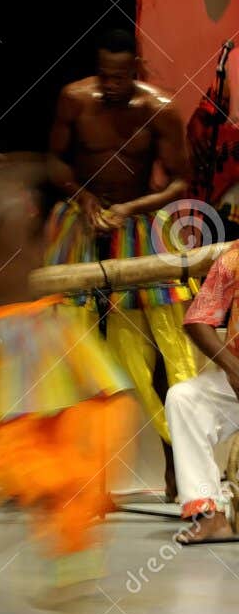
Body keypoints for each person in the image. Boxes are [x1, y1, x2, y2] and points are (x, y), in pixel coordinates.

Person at [0, 164, 136, 601]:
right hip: (28, 332)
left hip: (19, 338)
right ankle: (69, 548)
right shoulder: (10, 207)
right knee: (37, 449)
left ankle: (68, 545)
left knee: (33, 450)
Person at [47, 28, 198, 498]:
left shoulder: (159, 110)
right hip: (82, 221)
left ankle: (178, 462)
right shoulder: (74, 100)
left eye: (120, 77)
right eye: (104, 75)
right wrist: (83, 195)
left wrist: (134, 208)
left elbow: (181, 182)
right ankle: (81, 473)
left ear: (136, 71)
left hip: (139, 224)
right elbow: (54, 162)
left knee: (153, 348)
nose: (111, 85)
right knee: (73, 346)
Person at [168, 238, 239, 543]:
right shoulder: (234, 258)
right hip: (236, 381)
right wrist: (234, 369)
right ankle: (212, 518)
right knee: (183, 398)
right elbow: (197, 319)